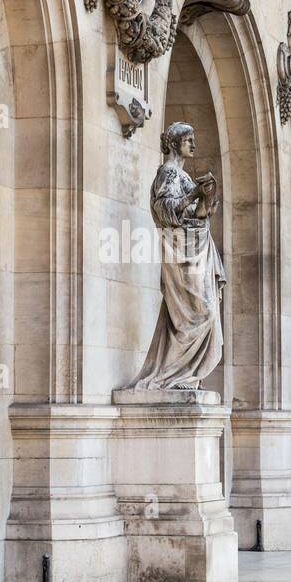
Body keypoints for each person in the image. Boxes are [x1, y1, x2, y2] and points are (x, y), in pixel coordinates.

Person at [126, 122, 227, 390]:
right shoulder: (168, 173)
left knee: (203, 313)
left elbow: (194, 215)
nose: (193, 144)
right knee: (200, 312)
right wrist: (195, 194)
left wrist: (206, 202)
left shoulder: (182, 175)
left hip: (194, 249)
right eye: (188, 139)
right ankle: (176, 375)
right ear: (174, 143)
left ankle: (185, 375)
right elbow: (165, 210)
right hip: (180, 252)